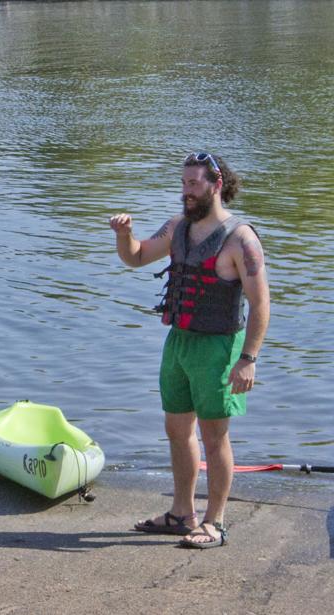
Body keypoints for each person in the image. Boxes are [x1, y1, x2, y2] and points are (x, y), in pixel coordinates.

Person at [109, 152, 269, 549]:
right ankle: (182, 514)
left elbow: (261, 303)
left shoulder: (240, 238)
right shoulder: (178, 227)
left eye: (193, 184)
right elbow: (136, 257)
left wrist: (247, 359)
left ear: (216, 185)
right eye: (183, 184)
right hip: (178, 343)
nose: (186, 191)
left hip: (218, 347)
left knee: (215, 436)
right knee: (177, 430)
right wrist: (123, 234)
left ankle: (215, 522)